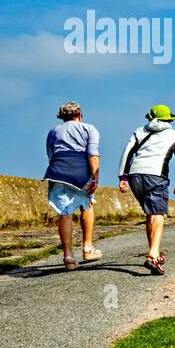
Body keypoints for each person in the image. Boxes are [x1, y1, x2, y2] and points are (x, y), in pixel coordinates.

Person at [118, 104, 175, 276]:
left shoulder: (139, 131)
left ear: (150, 117)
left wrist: (123, 177)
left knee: (150, 213)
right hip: (156, 176)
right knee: (157, 214)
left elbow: (126, 153)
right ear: (169, 120)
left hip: (136, 175)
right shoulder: (173, 134)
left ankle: (155, 254)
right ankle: (152, 253)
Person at [43, 101, 102, 270]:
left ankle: (68, 257)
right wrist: (95, 178)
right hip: (80, 172)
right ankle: (87, 247)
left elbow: (51, 154)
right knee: (87, 205)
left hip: (58, 171)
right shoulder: (89, 129)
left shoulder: (53, 131)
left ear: (62, 117)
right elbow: (92, 154)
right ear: (80, 115)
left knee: (65, 213)